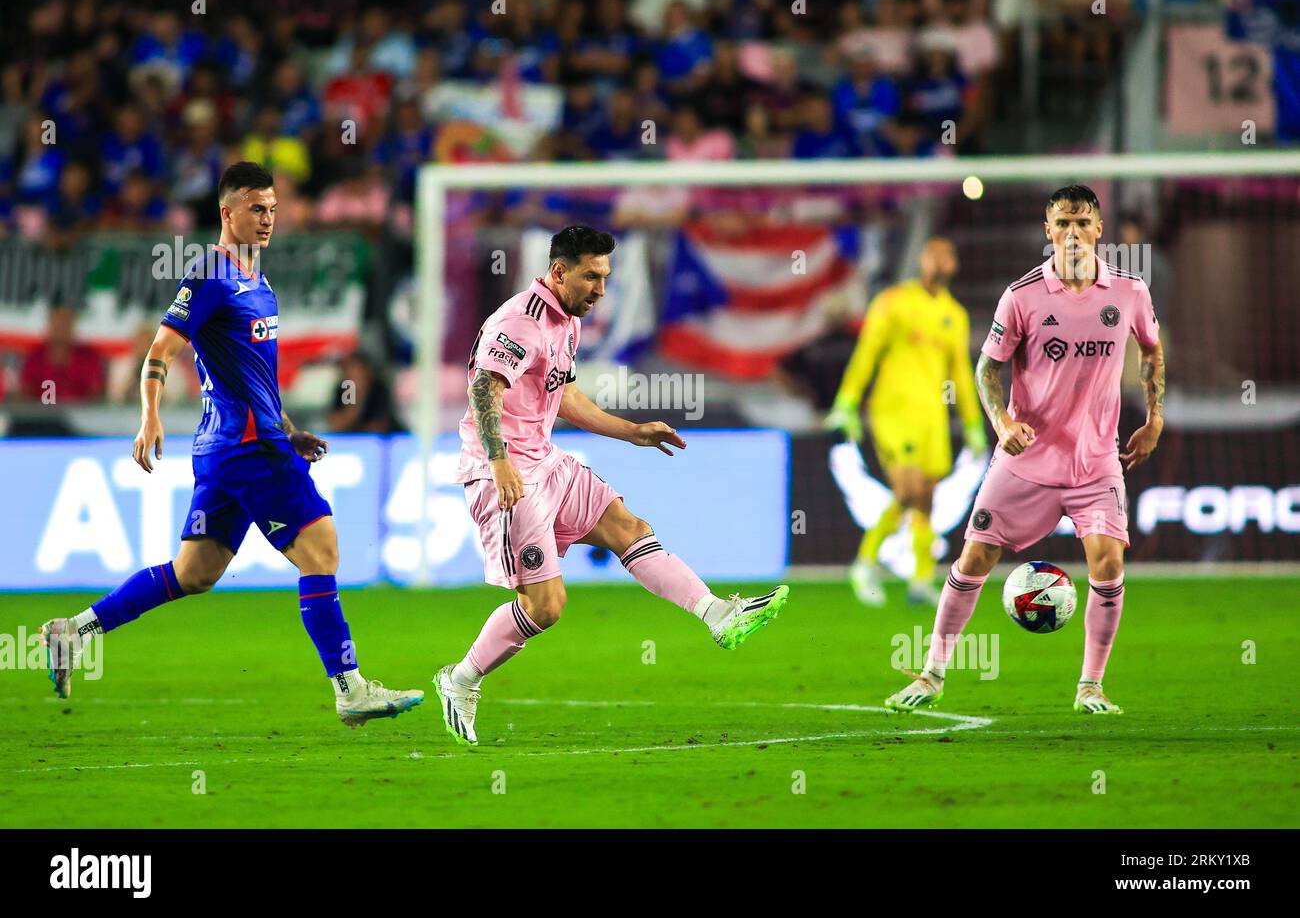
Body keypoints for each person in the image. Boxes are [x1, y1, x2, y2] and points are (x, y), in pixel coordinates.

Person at [38, 162, 422, 728]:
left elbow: (253, 380)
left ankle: (73, 631)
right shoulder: (209, 277)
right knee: (322, 552)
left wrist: (290, 428)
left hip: (238, 446)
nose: (267, 219)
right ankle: (350, 689)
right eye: (256, 209)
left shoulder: (260, 284)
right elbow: (160, 352)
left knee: (193, 573)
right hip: (247, 449)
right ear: (227, 212)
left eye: (272, 208)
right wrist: (149, 418)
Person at [433, 225, 790, 745]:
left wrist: (631, 432)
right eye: (591, 276)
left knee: (628, 526)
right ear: (558, 271)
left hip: (545, 460)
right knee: (546, 607)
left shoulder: (566, 322)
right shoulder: (518, 322)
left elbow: (566, 397)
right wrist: (500, 461)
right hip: (504, 473)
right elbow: (484, 386)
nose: (601, 289)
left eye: (606, 276)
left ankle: (716, 612)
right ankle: (460, 679)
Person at [885, 185, 1165, 716]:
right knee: (974, 556)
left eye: (1082, 222)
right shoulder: (1022, 296)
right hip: (1027, 458)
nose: (1073, 233)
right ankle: (932, 673)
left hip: (1096, 460)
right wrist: (1002, 421)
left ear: (1099, 229)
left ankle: (1091, 686)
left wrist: (1155, 419)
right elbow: (988, 368)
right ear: (1048, 231)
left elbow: (1151, 349)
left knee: (1107, 564)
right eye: (1062, 223)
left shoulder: (1129, 291)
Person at [825, 237, 987, 607]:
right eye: (933, 254)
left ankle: (920, 580)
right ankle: (865, 562)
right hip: (893, 410)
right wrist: (847, 402)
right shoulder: (893, 302)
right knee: (908, 490)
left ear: (954, 264)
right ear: (921, 261)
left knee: (926, 498)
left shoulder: (955, 315)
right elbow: (867, 350)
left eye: (946, 254)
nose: (939, 260)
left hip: (932, 416)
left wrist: (973, 423)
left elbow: (960, 373)